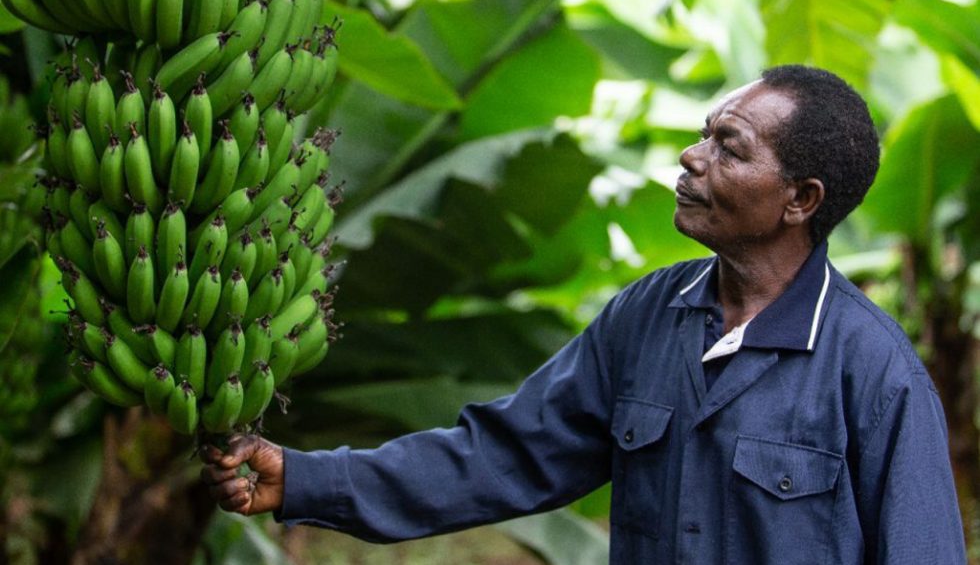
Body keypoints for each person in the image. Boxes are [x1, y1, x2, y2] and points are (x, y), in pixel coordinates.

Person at [201, 66, 967, 564]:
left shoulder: (873, 373)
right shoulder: (649, 317)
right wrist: (305, 479)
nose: (691, 156)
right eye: (704, 132)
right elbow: (499, 456)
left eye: (728, 146)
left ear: (800, 200)